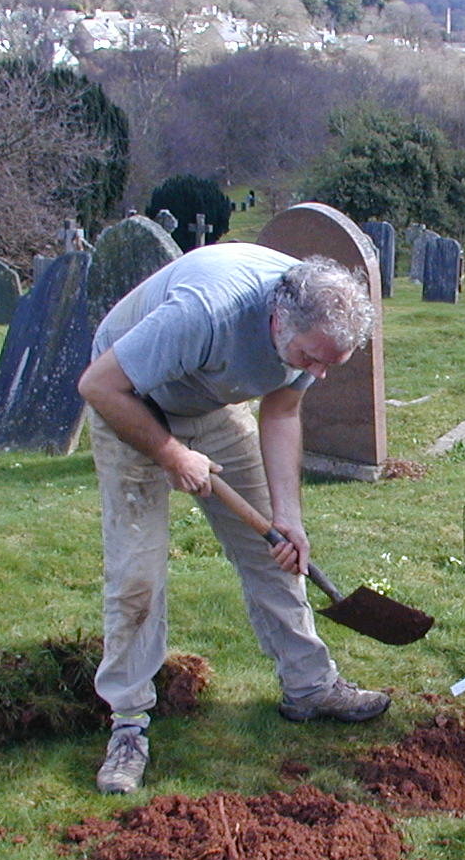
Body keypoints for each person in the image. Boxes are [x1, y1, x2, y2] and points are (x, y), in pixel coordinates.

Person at [78, 244, 391, 795]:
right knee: (137, 573)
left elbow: (283, 409)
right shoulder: (205, 312)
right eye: (309, 358)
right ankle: (128, 722)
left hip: (212, 405)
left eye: (329, 363)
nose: (316, 372)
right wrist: (172, 454)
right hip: (131, 399)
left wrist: (288, 517)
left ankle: (310, 686)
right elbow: (97, 386)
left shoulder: (308, 331)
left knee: (274, 553)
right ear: (278, 320)